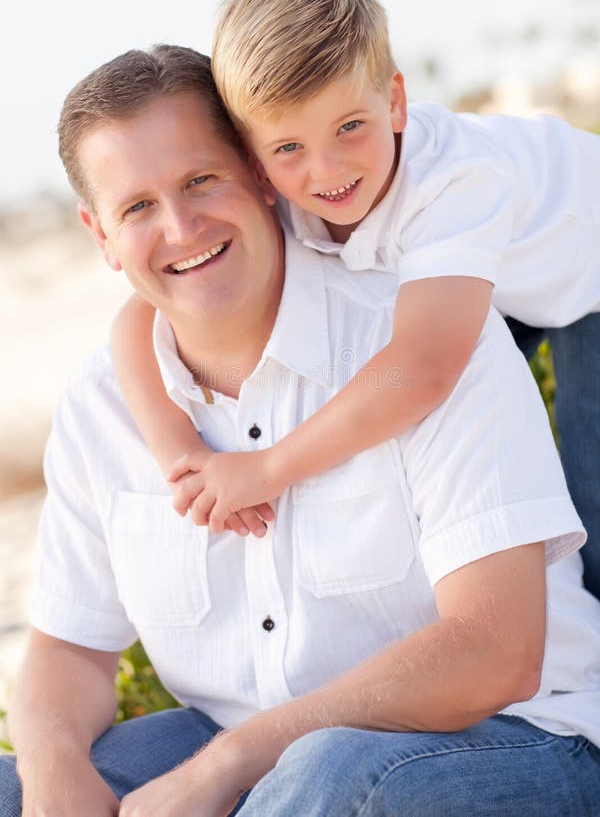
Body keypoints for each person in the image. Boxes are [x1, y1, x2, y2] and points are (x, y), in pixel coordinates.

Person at [2, 44, 600, 816]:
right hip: (248, 745)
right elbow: (69, 647)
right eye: (138, 208)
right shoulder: (104, 404)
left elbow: (497, 654)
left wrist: (233, 764)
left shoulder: (419, 340)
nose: (180, 226)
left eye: (200, 181)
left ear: (259, 174)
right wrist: (53, 774)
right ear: (101, 235)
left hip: (517, 737)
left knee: (330, 774)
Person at [111, 0, 600, 601]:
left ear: (394, 101)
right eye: (288, 147)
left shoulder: (455, 184)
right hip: (503, 276)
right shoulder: (290, 192)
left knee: (591, 496)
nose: (327, 170)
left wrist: (268, 468)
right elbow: (137, 317)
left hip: (586, 270)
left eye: (350, 127)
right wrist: (182, 456)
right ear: (254, 158)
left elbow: (422, 368)